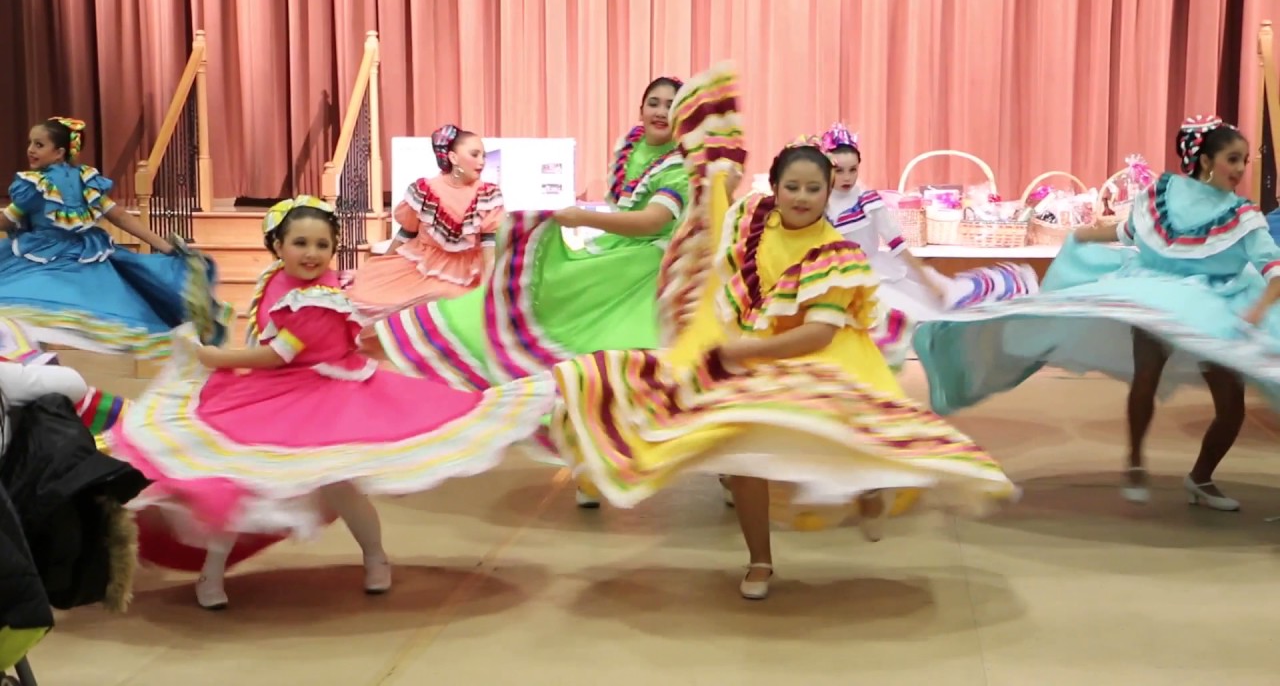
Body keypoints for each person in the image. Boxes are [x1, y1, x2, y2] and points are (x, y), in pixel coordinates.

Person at [548, 64, 1016, 600]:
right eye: (792, 185)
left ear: (829, 191)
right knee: (744, 450)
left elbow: (816, 336)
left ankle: (868, 491)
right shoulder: (754, 222)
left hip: (825, 361)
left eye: (813, 188)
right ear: (774, 187)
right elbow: (715, 212)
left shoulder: (835, 254)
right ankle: (760, 560)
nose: (802, 195)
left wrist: (745, 350)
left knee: (849, 442)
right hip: (758, 357)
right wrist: (711, 163)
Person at [105, 196, 556, 610]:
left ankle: (376, 558)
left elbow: (278, 353)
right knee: (239, 482)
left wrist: (216, 357)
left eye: (322, 245)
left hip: (328, 397)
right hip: (277, 396)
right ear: (276, 245)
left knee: (339, 486)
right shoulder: (278, 282)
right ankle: (212, 573)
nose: (312, 253)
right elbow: (270, 344)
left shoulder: (318, 297)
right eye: (300, 242)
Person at [913, 115, 1280, 511]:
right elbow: (1131, 232)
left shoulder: (1243, 216)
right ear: (1207, 161)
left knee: (1231, 407)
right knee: (1147, 377)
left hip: (1217, 307)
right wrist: (1083, 235)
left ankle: (1201, 477)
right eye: (1233, 159)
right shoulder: (1165, 193)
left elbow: (1273, 271)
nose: (1242, 170)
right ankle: (1136, 461)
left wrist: (1255, 313)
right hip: (1156, 295)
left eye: (1244, 160)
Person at [371, 77, 691, 506]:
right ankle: (587, 465)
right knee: (578, 361)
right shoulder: (632, 148)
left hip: (649, 271)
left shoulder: (682, 166)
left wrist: (582, 218)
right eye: (653, 102)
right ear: (639, 110)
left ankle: (720, 465)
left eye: (671, 106)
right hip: (610, 259)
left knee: (631, 368)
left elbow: (653, 221)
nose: (660, 111)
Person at [814, 124, 1038, 366]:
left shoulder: (868, 202)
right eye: (839, 170)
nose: (847, 177)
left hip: (874, 275)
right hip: (836, 279)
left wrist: (929, 281)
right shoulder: (819, 202)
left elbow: (897, 244)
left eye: (852, 170)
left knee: (927, 314)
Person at [0, 118, 228, 356]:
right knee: (47, 314)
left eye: (38, 144)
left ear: (59, 152)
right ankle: (40, 363)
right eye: (30, 143)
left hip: (43, 255)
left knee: (26, 306)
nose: (30, 150)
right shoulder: (85, 179)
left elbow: (6, 220)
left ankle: (36, 364)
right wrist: (165, 247)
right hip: (84, 255)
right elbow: (119, 216)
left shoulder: (35, 185)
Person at [344, 125, 503, 318]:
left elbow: (489, 243)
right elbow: (407, 232)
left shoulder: (488, 194)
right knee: (374, 296)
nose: (481, 162)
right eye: (475, 154)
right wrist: (383, 262)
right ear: (453, 158)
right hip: (424, 266)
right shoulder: (425, 190)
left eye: (483, 156)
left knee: (455, 300)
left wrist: (488, 285)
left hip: (467, 272)